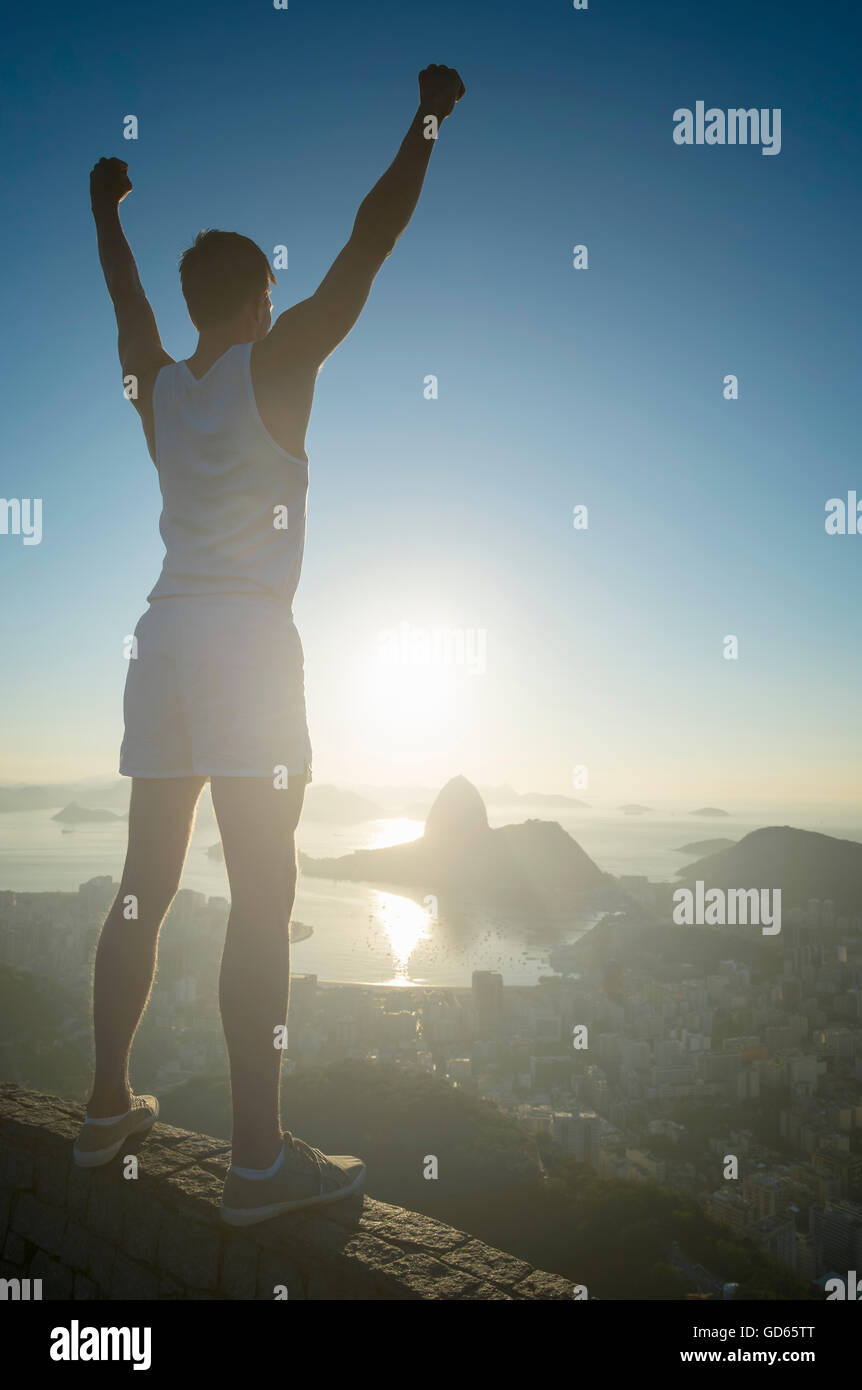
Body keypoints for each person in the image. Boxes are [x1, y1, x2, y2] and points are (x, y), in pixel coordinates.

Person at [74, 65, 465, 1227]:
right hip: (249, 650)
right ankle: (256, 1164)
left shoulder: (156, 386)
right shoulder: (281, 364)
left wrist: (106, 211)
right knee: (262, 896)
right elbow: (372, 238)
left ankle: (104, 1110)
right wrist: (427, 118)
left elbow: (123, 310)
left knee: (143, 888)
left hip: (162, 641)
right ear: (259, 301)